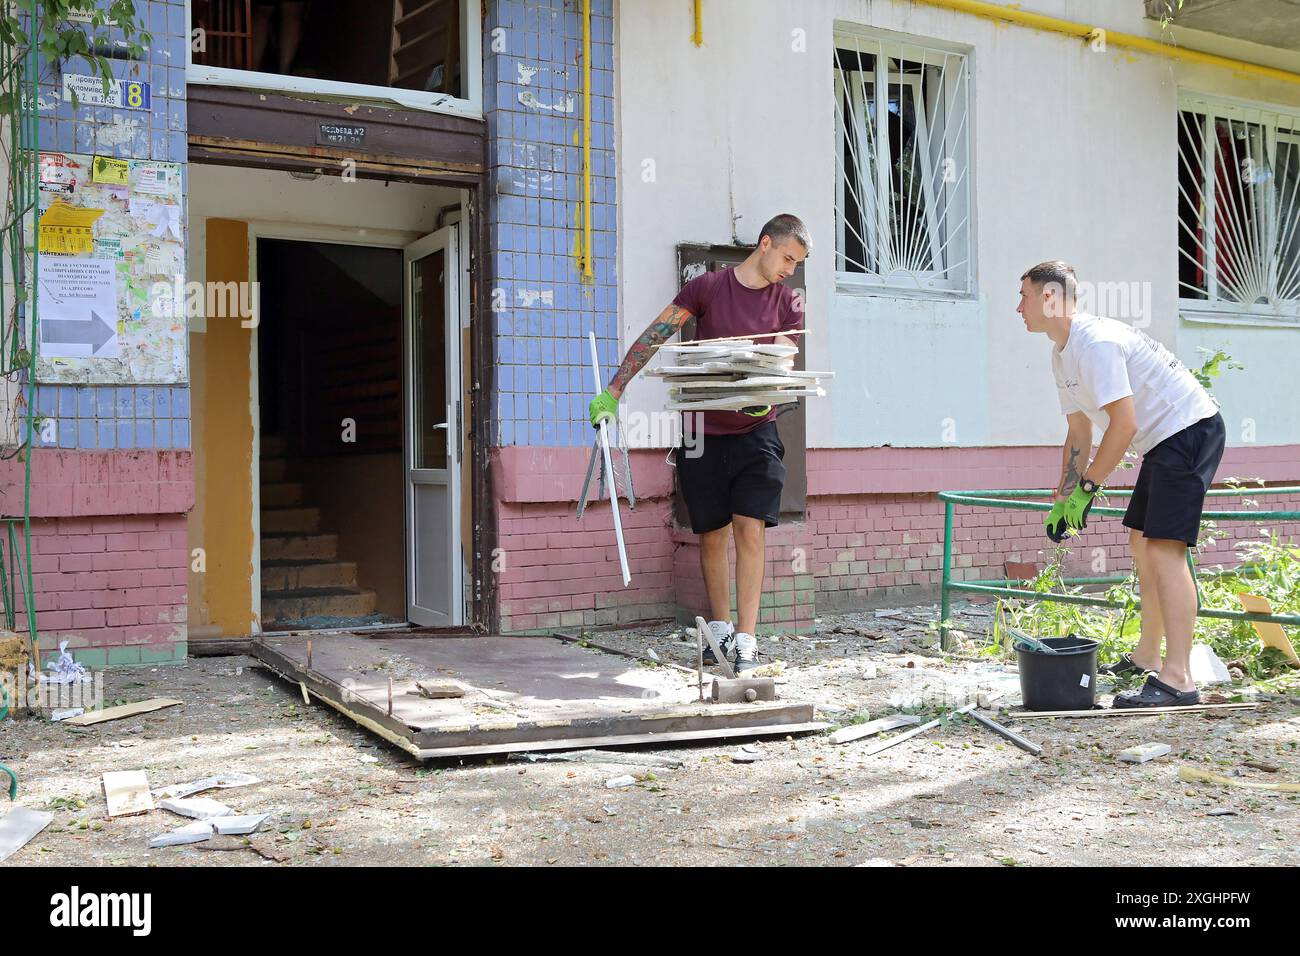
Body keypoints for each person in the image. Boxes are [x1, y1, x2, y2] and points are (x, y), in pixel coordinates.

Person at [589, 214, 809, 672]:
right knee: (712, 534)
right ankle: (721, 632)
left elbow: (786, 356)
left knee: (751, 529)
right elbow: (656, 334)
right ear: (765, 243)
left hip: (757, 432)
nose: (790, 268)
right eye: (788, 257)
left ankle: (747, 639)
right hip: (702, 435)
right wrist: (613, 391)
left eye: (798, 262)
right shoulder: (707, 288)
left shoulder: (788, 301)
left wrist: (765, 387)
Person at [1018, 260, 1225, 708]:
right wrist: (1066, 494)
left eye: (1025, 296)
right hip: (1165, 439)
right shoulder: (1062, 353)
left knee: (1164, 548)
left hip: (1189, 428)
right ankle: (1148, 655)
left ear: (1050, 298)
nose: (1020, 307)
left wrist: (1089, 490)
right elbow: (1079, 432)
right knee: (1140, 541)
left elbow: (1124, 424)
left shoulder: (1096, 344)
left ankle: (1179, 679)